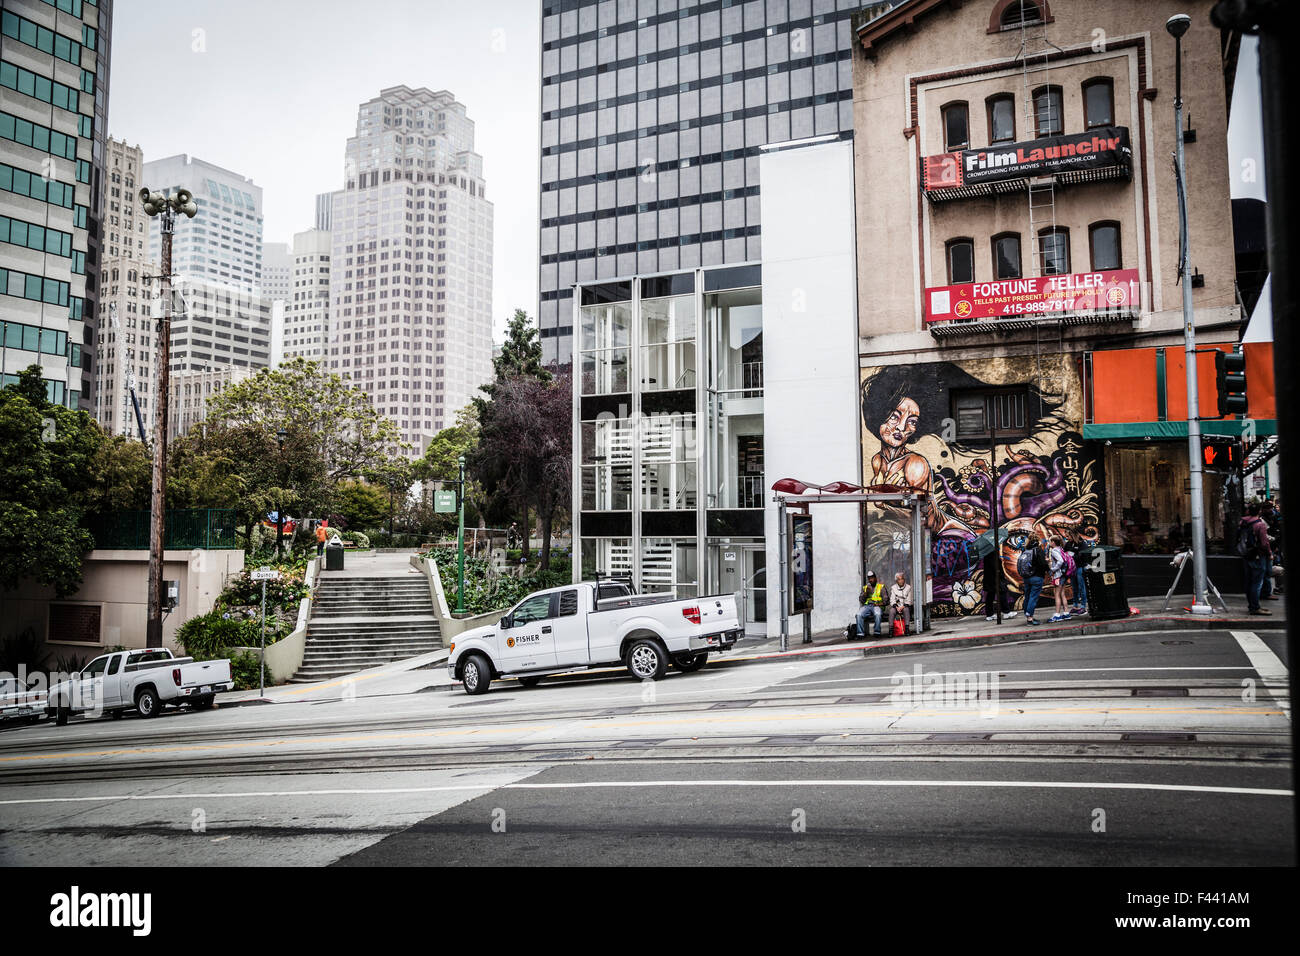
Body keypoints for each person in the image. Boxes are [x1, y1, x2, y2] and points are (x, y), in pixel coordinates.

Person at [1239, 503, 1273, 615]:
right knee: (1257, 582)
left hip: (1246, 554)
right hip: (1257, 555)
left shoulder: (1242, 522)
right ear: (1259, 511)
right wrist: (1269, 554)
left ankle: (1251, 605)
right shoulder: (1260, 524)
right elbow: (1264, 543)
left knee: (1249, 581)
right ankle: (1255, 607)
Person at [1021, 536, 1048, 626]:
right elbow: (1043, 564)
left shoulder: (1025, 550)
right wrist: (1048, 568)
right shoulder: (1038, 550)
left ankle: (1027, 615)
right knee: (1033, 597)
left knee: (1027, 596)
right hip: (1037, 577)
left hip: (1026, 577)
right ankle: (1030, 618)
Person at [1047, 535, 1071, 623]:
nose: (1049, 543)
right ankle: (1066, 613)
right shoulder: (1061, 548)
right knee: (1062, 594)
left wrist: (1053, 569)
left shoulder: (1054, 551)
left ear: (1053, 542)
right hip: (1064, 574)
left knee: (1057, 594)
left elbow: (1060, 561)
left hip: (1058, 575)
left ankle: (1057, 614)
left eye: (1050, 541)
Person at [857, 572, 886, 638]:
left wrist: (879, 603)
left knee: (877, 614)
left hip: (877, 605)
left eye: (872, 578)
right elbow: (861, 600)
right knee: (859, 614)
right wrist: (866, 593)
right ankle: (860, 634)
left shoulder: (881, 587)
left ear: (875, 578)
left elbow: (886, 600)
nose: (870, 580)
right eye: (869, 578)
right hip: (867, 606)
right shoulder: (865, 588)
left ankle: (877, 632)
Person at [1067, 537, 1088, 615]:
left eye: (1068, 535)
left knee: (1081, 587)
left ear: (1073, 535)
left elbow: (1084, 556)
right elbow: (1065, 553)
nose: (1067, 537)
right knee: (1074, 587)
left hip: (1080, 567)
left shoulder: (1082, 544)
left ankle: (1083, 607)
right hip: (1072, 568)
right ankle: (1075, 606)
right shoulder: (1068, 544)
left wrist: (1073, 555)